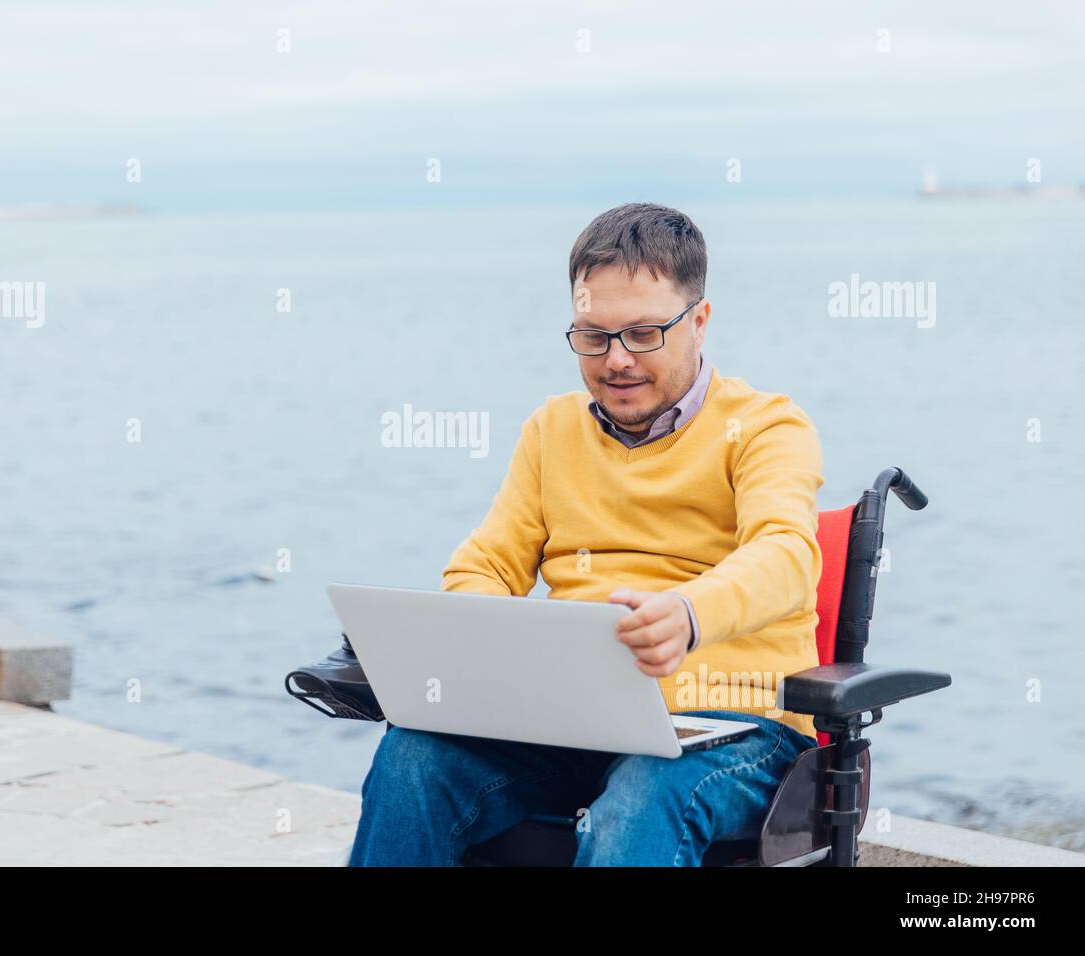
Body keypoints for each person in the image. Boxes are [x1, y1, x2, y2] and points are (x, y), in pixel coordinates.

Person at [349, 203, 822, 866]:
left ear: (700, 322)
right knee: (414, 756)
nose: (616, 360)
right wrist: (480, 647)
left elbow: (786, 554)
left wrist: (688, 614)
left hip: (736, 728)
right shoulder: (552, 431)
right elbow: (482, 566)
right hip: (575, 724)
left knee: (643, 795)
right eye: (593, 336)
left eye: (643, 334)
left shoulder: (768, 427)